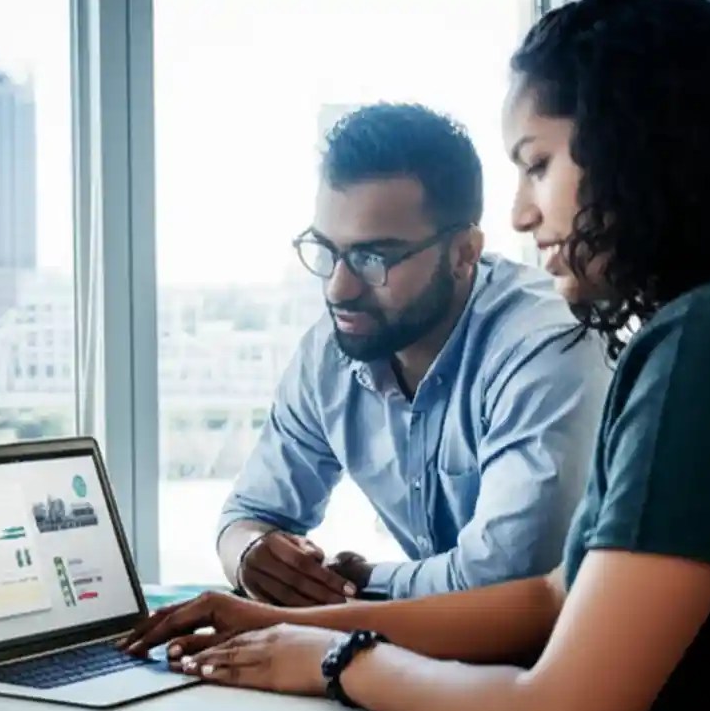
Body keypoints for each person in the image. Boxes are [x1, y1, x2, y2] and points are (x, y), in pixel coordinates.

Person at [123, 0, 710, 711]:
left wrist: (337, 663)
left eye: (538, 165)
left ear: (639, 152)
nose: (523, 215)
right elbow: (549, 599)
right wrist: (279, 624)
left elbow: (566, 706)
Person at [215, 102, 609, 604]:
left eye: (373, 256)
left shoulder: (545, 347)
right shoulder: (334, 350)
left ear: (464, 253)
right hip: (439, 658)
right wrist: (252, 554)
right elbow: (248, 513)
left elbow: (505, 580)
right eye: (327, 250)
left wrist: (350, 585)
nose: (339, 288)